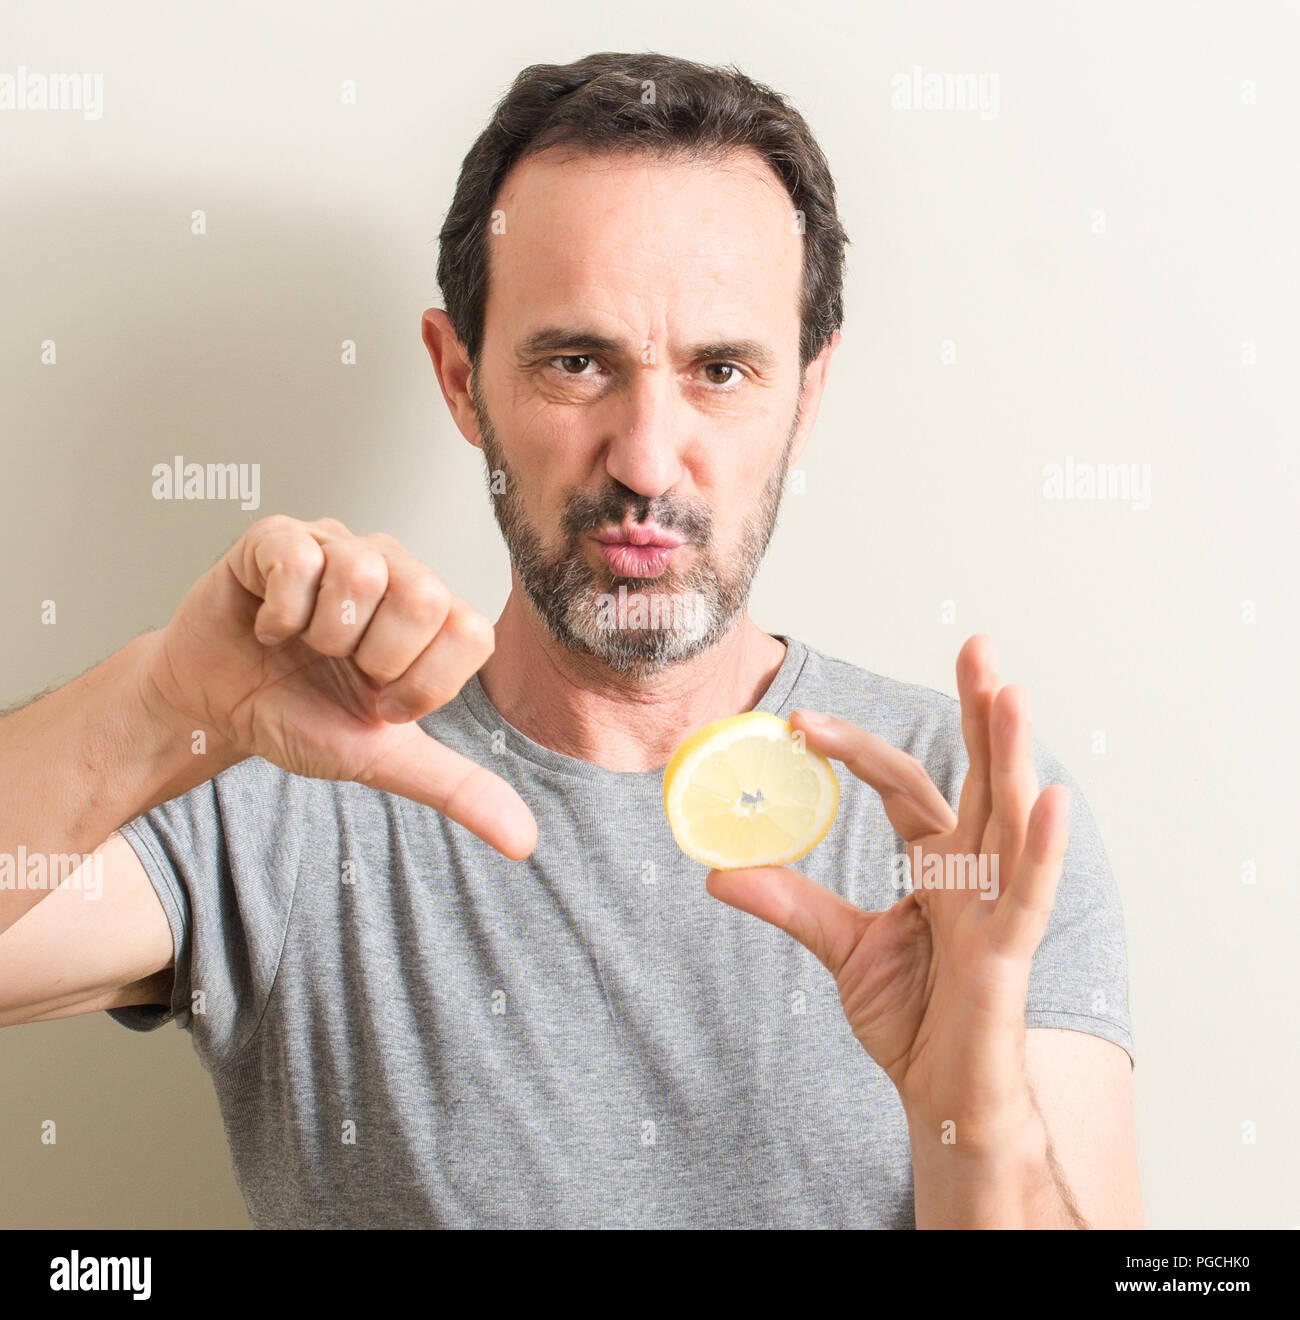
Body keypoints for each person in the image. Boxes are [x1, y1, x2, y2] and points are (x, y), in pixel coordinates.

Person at [0, 51, 1140, 1229]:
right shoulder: (294, 772)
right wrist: (155, 701)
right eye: (577, 363)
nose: (646, 460)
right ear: (460, 380)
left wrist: (978, 1115)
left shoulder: (968, 818)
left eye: (720, 370)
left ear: (804, 397)